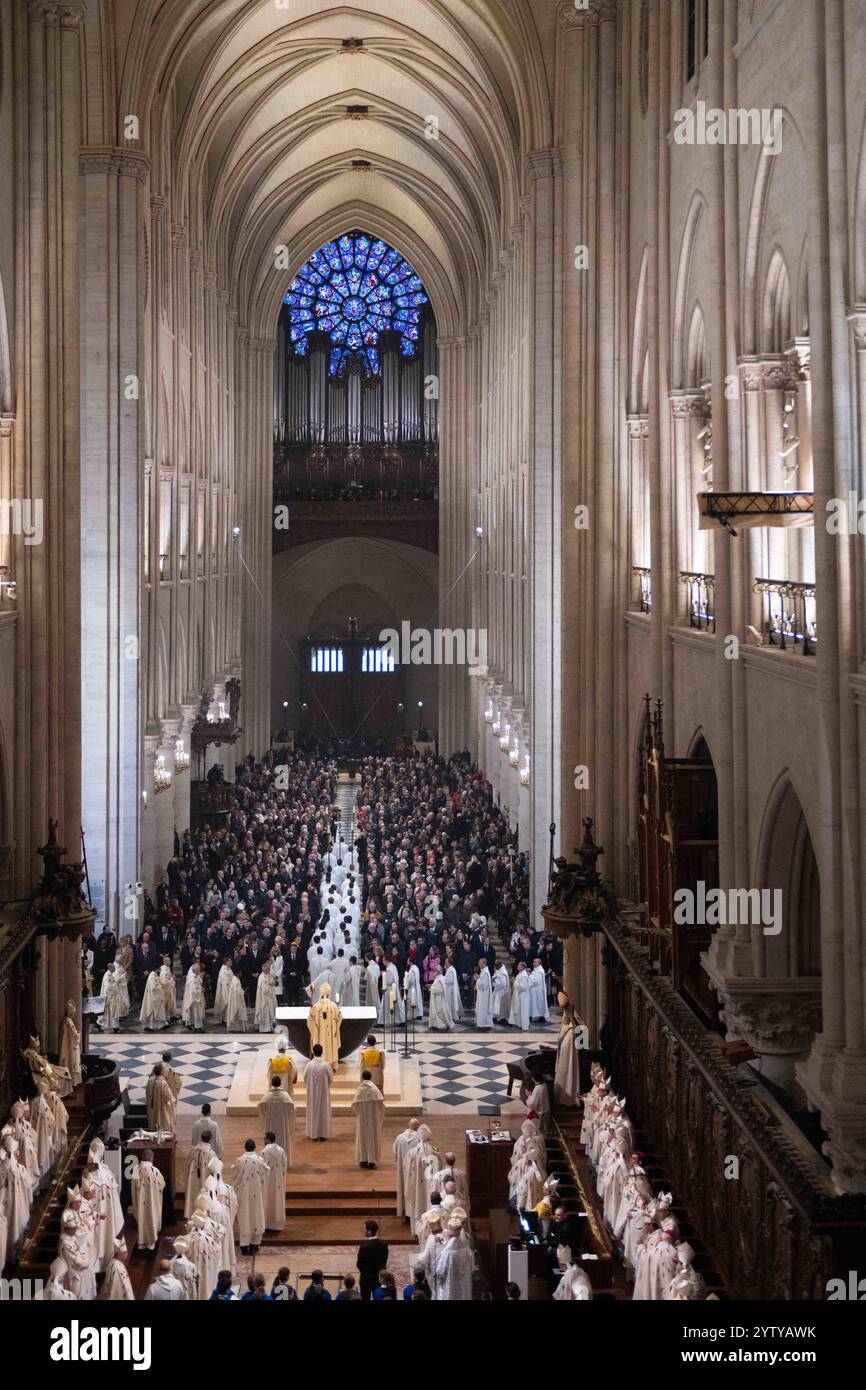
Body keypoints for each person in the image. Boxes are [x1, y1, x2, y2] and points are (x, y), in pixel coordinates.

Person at [231, 1139, 269, 1253]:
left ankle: (244, 1245)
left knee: (244, 1216)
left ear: (245, 1147)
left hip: (243, 1193)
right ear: (255, 1147)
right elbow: (266, 1174)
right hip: (257, 1194)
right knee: (256, 1215)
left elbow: (235, 1176)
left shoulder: (239, 1161)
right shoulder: (260, 1161)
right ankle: (255, 1244)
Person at [131, 1148, 165, 1250]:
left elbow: (134, 1186)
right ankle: (151, 1243)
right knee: (152, 1219)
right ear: (151, 1158)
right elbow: (162, 1185)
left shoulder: (136, 1170)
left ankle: (142, 1244)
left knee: (142, 1219)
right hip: (152, 1203)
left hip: (141, 1203)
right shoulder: (155, 1171)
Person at [351, 1070, 385, 1169]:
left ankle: (363, 1159)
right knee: (372, 1137)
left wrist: (359, 1113)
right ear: (370, 1077)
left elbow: (354, 1105)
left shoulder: (360, 1090)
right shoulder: (375, 1090)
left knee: (362, 1138)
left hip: (362, 1119)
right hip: (372, 1119)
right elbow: (381, 1103)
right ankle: (371, 1161)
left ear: (362, 1077)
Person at [258, 1075, 295, 1163]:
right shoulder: (285, 1096)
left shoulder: (267, 1096)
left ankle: (268, 1161)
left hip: (270, 1123)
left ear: (272, 1083)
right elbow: (292, 1108)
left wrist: (266, 1116)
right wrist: (286, 1116)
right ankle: (283, 1162)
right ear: (280, 1083)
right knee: (283, 1140)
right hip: (283, 1124)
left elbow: (261, 1108)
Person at [393, 1117, 422, 1219]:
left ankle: (405, 1213)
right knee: (413, 1190)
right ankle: (413, 1214)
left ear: (409, 1125)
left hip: (402, 1169)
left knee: (403, 1187)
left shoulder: (399, 1138)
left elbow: (395, 1153)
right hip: (414, 1171)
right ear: (417, 1127)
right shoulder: (419, 1139)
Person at [304, 1043, 333, 1140]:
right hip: (323, 1093)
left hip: (312, 1093)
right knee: (323, 1111)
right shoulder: (326, 1065)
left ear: (313, 1052)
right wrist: (324, 1085)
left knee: (313, 1110)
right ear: (322, 1052)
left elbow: (305, 1078)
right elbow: (330, 1079)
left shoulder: (309, 1065)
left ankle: (312, 1133)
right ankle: (323, 1134)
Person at [184, 1131, 216, 1218]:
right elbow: (215, 1171)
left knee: (193, 1192)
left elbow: (187, 1166)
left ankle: (191, 1213)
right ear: (210, 1140)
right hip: (205, 1180)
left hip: (193, 1179)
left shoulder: (193, 1151)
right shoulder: (211, 1154)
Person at [356, 1220, 389, 1301]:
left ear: (369, 1231)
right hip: (379, 1278)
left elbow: (359, 1264)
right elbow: (384, 1260)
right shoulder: (384, 1245)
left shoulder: (364, 1246)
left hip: (366, 1279)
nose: (363, 1231)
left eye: (364, 1229)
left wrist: (365, 1272)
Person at [262, 1130, 288, 1232]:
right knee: (277, 1200)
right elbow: (285, 1165)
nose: (264, 1140)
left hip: (268, 1182)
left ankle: (267, 1224)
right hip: (278, 1182)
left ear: (268, 1139)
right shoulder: (281, 1150)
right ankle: (277, 1225)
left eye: (264, 1138)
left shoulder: (264, 1152)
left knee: (268, 1200)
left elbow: (261, 1167)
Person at [145, 1063, 176, 1133]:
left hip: (151, 1107)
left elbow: (147, 1092)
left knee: (153, 1122)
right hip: (161, 1108)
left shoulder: (150, 1080)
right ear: (161, 1072)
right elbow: (167, 1097)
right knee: (162, 1124)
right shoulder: (163, 1083)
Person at [139, 966, 167, 1031]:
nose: (160, 971)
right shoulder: (152, 977)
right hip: (152, 997)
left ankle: (160, 1025)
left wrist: (160, 984)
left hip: (156, 996)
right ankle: (149, 1026)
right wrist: (161, 986)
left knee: (157, 1011)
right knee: (152, 1011)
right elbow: (153, 988)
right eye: (159, 970)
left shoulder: (155, 975)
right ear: (157, 969)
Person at [255, 960, 278, 1032]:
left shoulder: (269, 975)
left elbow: (274, 984)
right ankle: (265, 1029)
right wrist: (269, 985)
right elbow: (263, 989)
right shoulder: (261, 977)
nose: (268, 970)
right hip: (264, 999)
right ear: (263, 969)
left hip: (270, 997)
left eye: (268, 969)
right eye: (266, 969)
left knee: (271, 1012)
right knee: (265, 1013)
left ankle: (271, 1027)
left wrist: (273, 983)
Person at [182, 961, 206, 1031]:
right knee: (196, 1014)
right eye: (198, 969)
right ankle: (197, 1027)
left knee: (196, 1014)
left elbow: (198, 983)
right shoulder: (192, 980)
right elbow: (193, 991)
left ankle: (195, 1025)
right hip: (195, 1000)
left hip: (197, 999)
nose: (200, 970)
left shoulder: (195, 976)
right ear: (195, 970)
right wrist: (201, 991)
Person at [508, 962, 532, 1029]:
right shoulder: (520, 974)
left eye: (519, 965)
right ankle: (518, 1023)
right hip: (518, 995)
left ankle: (523, 1025)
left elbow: (522, 987)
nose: (517, 966)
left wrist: (514, 981)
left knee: (522, 1010)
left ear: (522, 967)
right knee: (518, 1010)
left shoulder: (524, 975)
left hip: (523, 996)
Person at [474, 958, 494, 1029]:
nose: (479, 964)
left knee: (483, 1010)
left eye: (480, 963)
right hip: (481, 994)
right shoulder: (483, 971)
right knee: (481, 1009)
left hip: (484, 995)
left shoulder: (485, 973)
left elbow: (484, 984)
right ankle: (481, 1024)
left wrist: (477, 978)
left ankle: (484, 1025)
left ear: (484, 963)